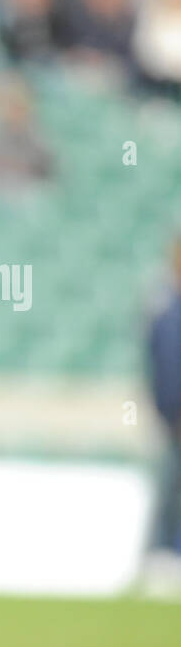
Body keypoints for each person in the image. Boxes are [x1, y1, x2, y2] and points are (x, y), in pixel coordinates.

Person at [147, 235, 181, 559]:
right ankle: (160, 555)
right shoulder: (166, 309)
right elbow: (162, 368)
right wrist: (169, 414)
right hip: (173, 422)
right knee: (169, 490)